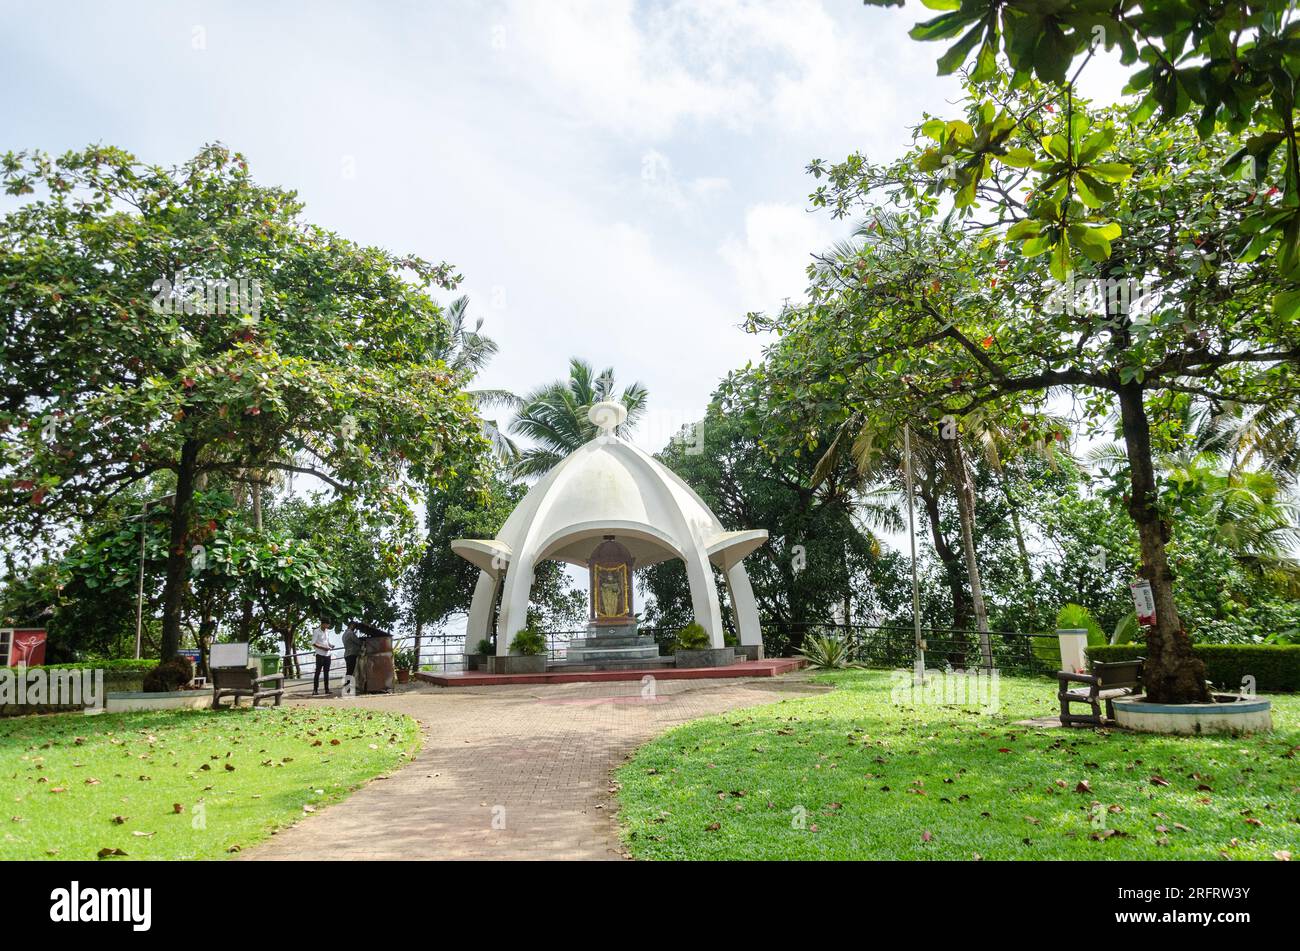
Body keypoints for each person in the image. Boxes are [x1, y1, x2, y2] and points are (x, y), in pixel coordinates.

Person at [312, 622, 334, 696]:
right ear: (323, 624)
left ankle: (327, 689)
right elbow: (314, 643)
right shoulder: (316, 631)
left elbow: (327, 641)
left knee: (326, 672)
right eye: (327, 624)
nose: (328, 626)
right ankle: (315, 690)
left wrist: (330, 645)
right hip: (320, 654)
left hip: (328, 654)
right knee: (317, 672)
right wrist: (323, 648)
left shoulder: (327, 631)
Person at [342, 622, 362, 693]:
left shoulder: (344, 634)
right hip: (351, 654)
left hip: (347, 654)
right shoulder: (350, 633)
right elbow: (358, 642)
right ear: (351, 625)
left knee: (349, 671)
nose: (355, 628)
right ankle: (347, 687)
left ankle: (347, 686)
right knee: (350, 671)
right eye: (354, 626)